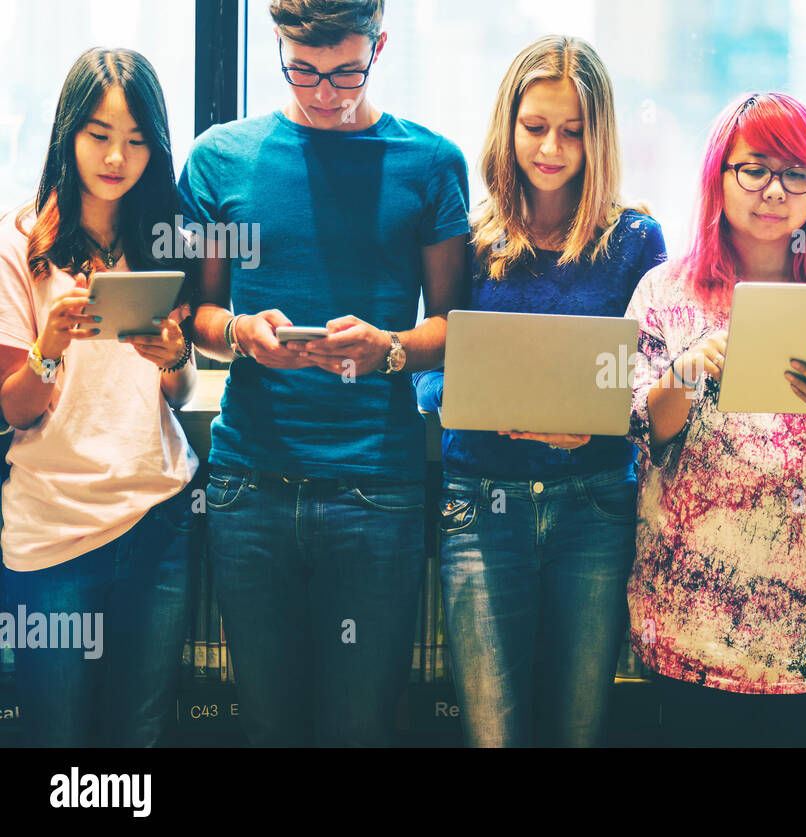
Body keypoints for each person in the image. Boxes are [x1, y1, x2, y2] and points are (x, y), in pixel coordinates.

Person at [178, 0, 469, 746]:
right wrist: (241, 332)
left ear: (379, 45)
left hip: (377, 489)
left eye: (345, 71)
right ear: (277, 43)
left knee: (361, 726)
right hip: (250, 489)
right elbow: (199, 317)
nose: (323, 92)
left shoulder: (429, 164)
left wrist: (390, 348)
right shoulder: (222, 158)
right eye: (301, 68)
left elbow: (454, 327)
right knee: (267, 725)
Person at [414, 35, 665, 748]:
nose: (551, 147)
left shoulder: (636, 240)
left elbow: (653, 375)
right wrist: (466, 395)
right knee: (493, 732)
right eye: (535, 127)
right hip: (481, 502)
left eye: (572, 131)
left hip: (595, 504)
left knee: (577, 729)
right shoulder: (467, 237)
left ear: (598, 137)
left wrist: (602, 417)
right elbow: (431, 366)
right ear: (508, 125)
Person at [625, 91, 806, 747]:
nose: (774, 190)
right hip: (690, 598)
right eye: (754, 169)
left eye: (795, 173)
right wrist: (686, 375)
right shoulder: (664, 291)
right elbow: (638, 424)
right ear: (719, 175)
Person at [0, 48, 199, 746]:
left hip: (154, 516)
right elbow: (13, 407)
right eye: (99, 135)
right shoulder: (22, 243)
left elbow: (180, 388)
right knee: (58, 740)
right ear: (68, 134)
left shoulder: (166, 238)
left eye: (138, 141)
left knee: (136, 736)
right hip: (53, 534)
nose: (118, 156)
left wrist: (172, 356)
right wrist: (48, 351)